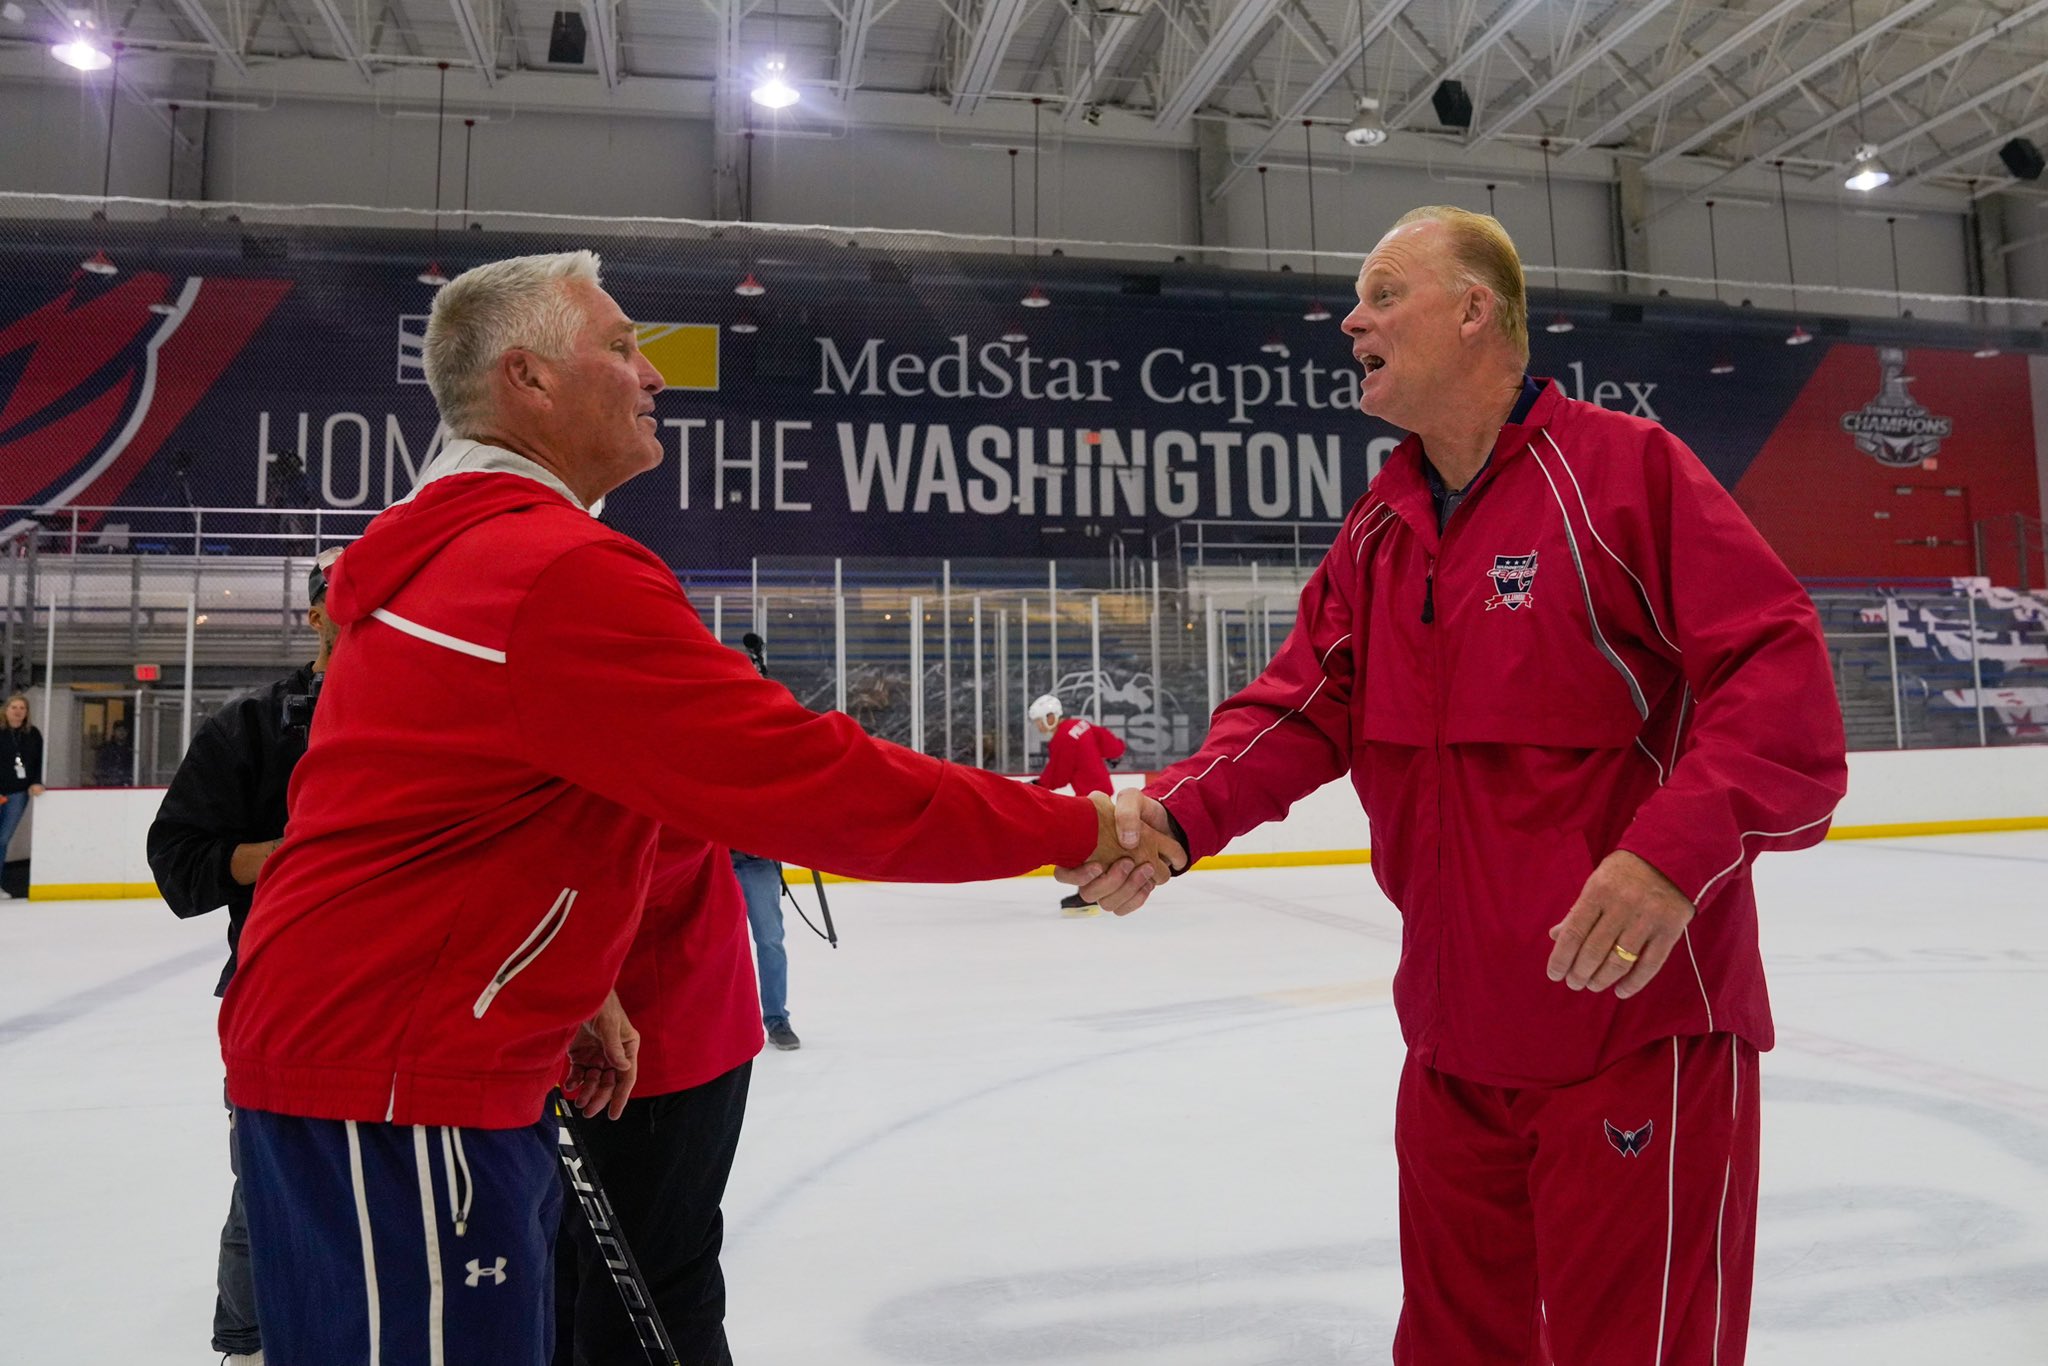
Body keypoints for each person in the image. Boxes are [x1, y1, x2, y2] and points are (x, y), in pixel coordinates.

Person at [216, 250, 1182, 1366]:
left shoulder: (456, 559)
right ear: (526, 381)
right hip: (398, 1075)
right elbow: (814, 782)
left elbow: (439, 811)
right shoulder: (547, 571)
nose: (652, 374)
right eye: (621, 347)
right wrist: (1084, 826)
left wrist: (565, 979)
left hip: (402, 1052)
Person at [1077, 206, 1847, 1365]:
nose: (1352, 319)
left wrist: (1666, 853)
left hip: (1629, 1036)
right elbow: (1297, 706)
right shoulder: (1380, 531)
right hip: (1450, 1051)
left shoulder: (1622, 473)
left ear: (1475, 309)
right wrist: (1172, 817)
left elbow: (1776, 672)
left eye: (1384, 292)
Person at [145, 548, 342, 1366]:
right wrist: (282, 855)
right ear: (312, 613)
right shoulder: (254, 726)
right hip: (282, 1000)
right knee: (271, 1182)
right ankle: (248, 1342)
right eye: (339, 594)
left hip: (414, 1004)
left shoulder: (437, 717)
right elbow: (179, 858)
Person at [554, 827, 759, 1366]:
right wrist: (577, 971)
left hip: (583, 1030)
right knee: (646, 1290)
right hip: (642, 1046)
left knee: (580, 1267)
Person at [1028, 693, 1127, 915]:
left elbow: (1059, 775)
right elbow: (1107, 741)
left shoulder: (1062, 737)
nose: (1038, 727)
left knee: (1088, 847)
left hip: (1088, 799)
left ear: (1050, 717)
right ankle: (1097, 890)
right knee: (1096, 844)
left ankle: (1091, 895)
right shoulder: (1080, 724)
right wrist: (1117, 751)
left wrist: (1038, 784)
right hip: (1099, 793)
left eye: (1039, 722)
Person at [731, 851, 799, 1049]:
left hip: (759, 861)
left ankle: (777, 1019)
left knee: (770, 942)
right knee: (722, 945)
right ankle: (724, 1022)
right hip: (715, 860)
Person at [0, 691, 45, 898]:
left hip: (17, 793)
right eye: (14, 708)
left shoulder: (32, 734)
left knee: (3, 838)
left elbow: (37, 762)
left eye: (22, 708)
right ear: (5, 710)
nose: (18, 712)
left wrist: (36, 781)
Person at [92, 719, 134, 787]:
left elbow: (133, 770)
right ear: (114, 732)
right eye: (119, 730)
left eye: (124, 730)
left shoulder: (131, 751)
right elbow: (98, 770)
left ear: (127, 732)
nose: (122, 732)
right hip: (108, 787)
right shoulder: (105, 749)